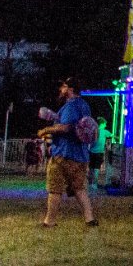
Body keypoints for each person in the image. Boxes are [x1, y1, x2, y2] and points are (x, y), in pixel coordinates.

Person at [39, 77, 97, 228]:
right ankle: (89, 219)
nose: (61, 89)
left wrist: (46, 130)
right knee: (79, 188)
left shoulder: (71, 106)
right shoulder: (84, 105)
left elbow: (65, 127)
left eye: (64, 87)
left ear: (70, 89)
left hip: (64, 154)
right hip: (81, 155)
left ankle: (49, 221)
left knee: (55, 188)